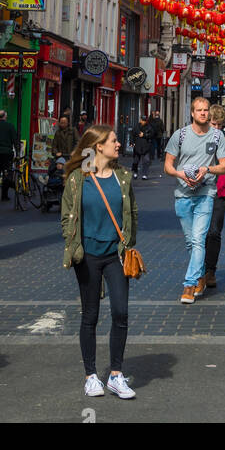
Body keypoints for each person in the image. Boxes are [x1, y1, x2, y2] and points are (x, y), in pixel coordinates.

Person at [61, 125, 137, 400]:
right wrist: (73, 246)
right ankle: (91, 376)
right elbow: (66, 215)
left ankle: (116, 375)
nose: (118, 144)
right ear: (99, 146)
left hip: (115, 255)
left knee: (120, 312)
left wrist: (128, 245)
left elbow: (133, 214)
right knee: (90, 315)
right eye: (114, 141)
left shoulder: (123, 177)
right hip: (88, 256)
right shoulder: (78, 179)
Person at [164, 97, 225, 303]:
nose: (203, 113)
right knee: (190, 242)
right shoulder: (180, 135)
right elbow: (168, 166)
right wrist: (180, 175)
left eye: (205, 110)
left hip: (205, 193)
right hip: (183, 195)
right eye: (199, 110)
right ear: (192, 113)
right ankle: (200, 275)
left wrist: (207, 169)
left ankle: (189, 284)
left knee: (198, 239)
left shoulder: (217, 136)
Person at [204, 105, 225, 288]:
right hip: (200, 189)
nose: (216, 128)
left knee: (215, 230)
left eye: (219, 124)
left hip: (220, 189)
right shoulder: (199, 136)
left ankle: (210, 270)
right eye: (213, 124)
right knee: (200, 233)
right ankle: (199, 270)